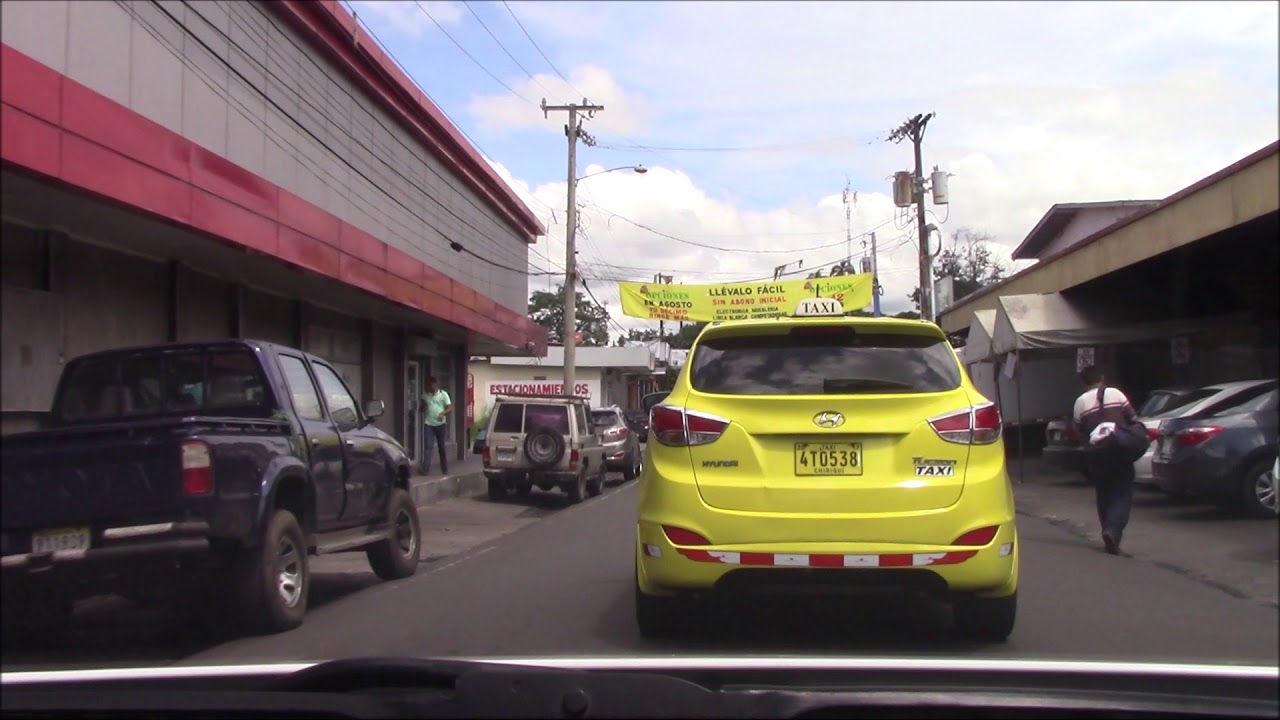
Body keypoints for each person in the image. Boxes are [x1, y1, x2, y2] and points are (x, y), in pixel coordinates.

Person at [1072, 365, 1137, 555]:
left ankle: (1107, 530)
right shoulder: (1116, 393)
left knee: (1103, 492)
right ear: (1102, 378)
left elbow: (1078, 430)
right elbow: (1133, 419)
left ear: (1084, 383)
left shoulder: (1080, 402)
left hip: (1097, 454)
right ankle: (1113, 530)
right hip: (1119, 450)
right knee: (1122, 493)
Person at [419, 376, 452, 475]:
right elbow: (422, 407)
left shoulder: (443, 394)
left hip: (440, 425)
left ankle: (444, 469)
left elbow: (450, 408)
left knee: (441, 447)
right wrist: (422, 407)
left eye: (429, 385)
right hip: (429, 424)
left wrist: (443, 413)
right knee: (428, 446)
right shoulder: (425, 395)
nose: (427, 387)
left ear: (434, 385)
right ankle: (425, 469)